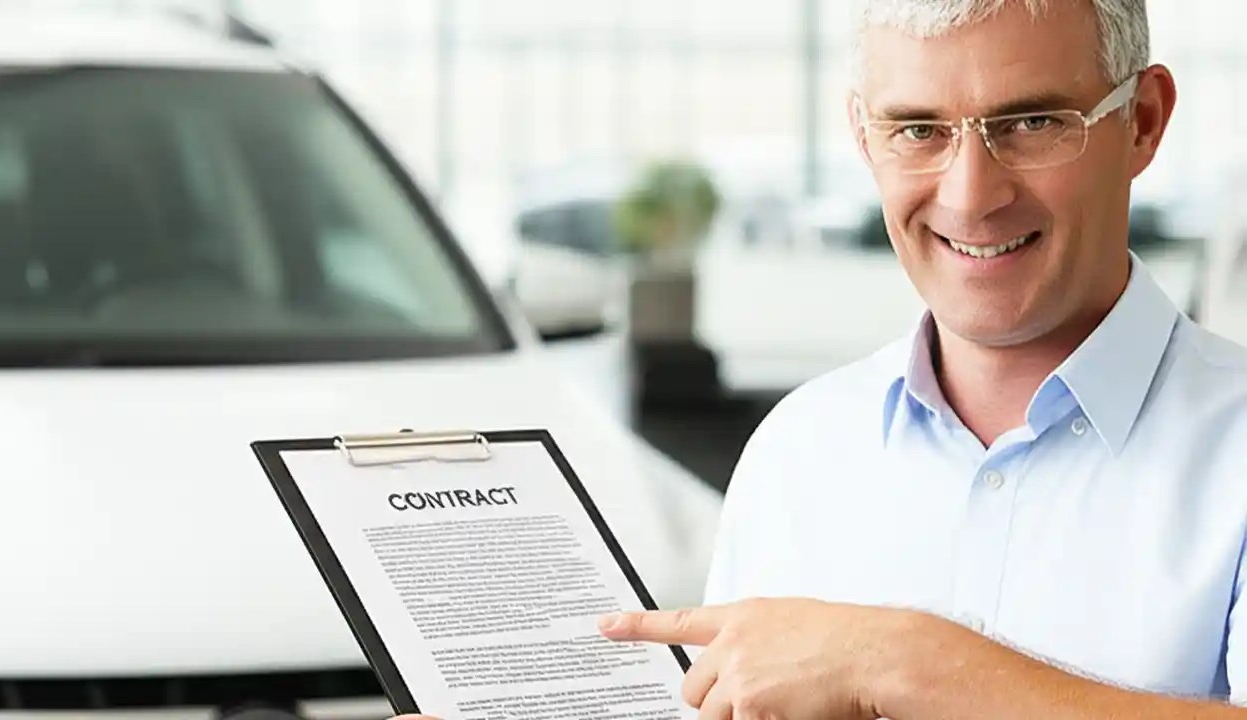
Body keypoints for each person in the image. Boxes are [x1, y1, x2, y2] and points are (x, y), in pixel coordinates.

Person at [397, 0, 1247, 717]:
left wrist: (901, 662)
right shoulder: (797, 450)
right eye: (917, 130)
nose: (971, 195)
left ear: (1143, 121)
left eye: (1031, 123)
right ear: (864, 138)